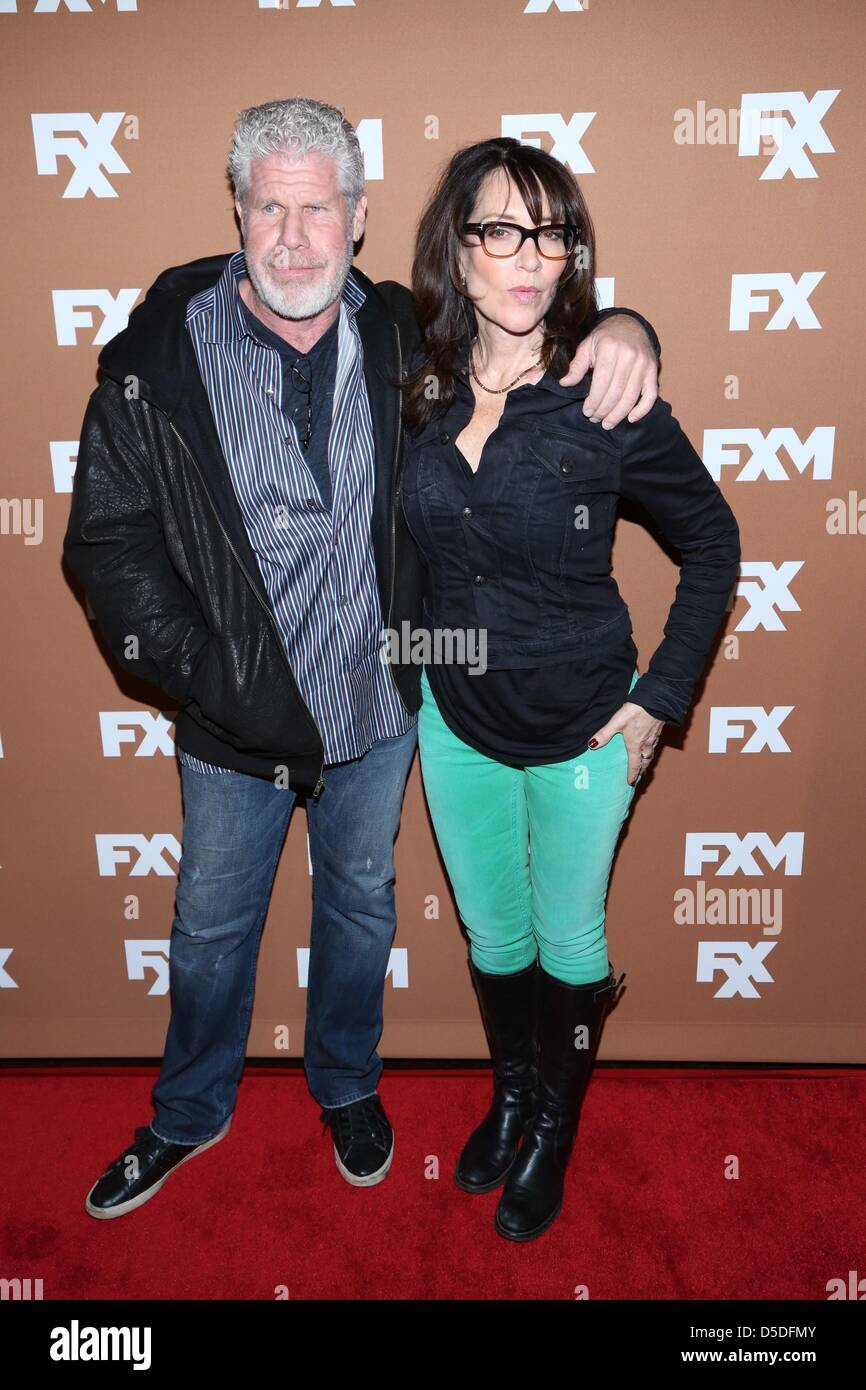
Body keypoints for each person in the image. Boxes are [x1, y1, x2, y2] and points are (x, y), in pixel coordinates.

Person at [62, 97, 662, 1220]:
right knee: (207, 927)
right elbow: (105, 543)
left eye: (318, 209)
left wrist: (627, 324)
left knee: (358, 911)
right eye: (269, 209)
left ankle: (344, 1086)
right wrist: (207, 670)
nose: (293, 237)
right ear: (236, 214)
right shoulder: (158, 359)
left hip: (380, 709)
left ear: (359, 218)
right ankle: (188, 1112)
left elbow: (528, 329)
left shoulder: (404, 338)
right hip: (229, 720)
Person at [399, 137, 741, 1241]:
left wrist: (659, 699)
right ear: (456, 246)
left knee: (568, 943)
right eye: (500, 230)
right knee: (492, 938)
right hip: (453, 718)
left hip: (584, 722)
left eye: (550, 234)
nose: (528, 259)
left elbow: (712, 541)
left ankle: (552, 1124)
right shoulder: (416, 381)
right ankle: (509, 1095)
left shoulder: (605, 390)